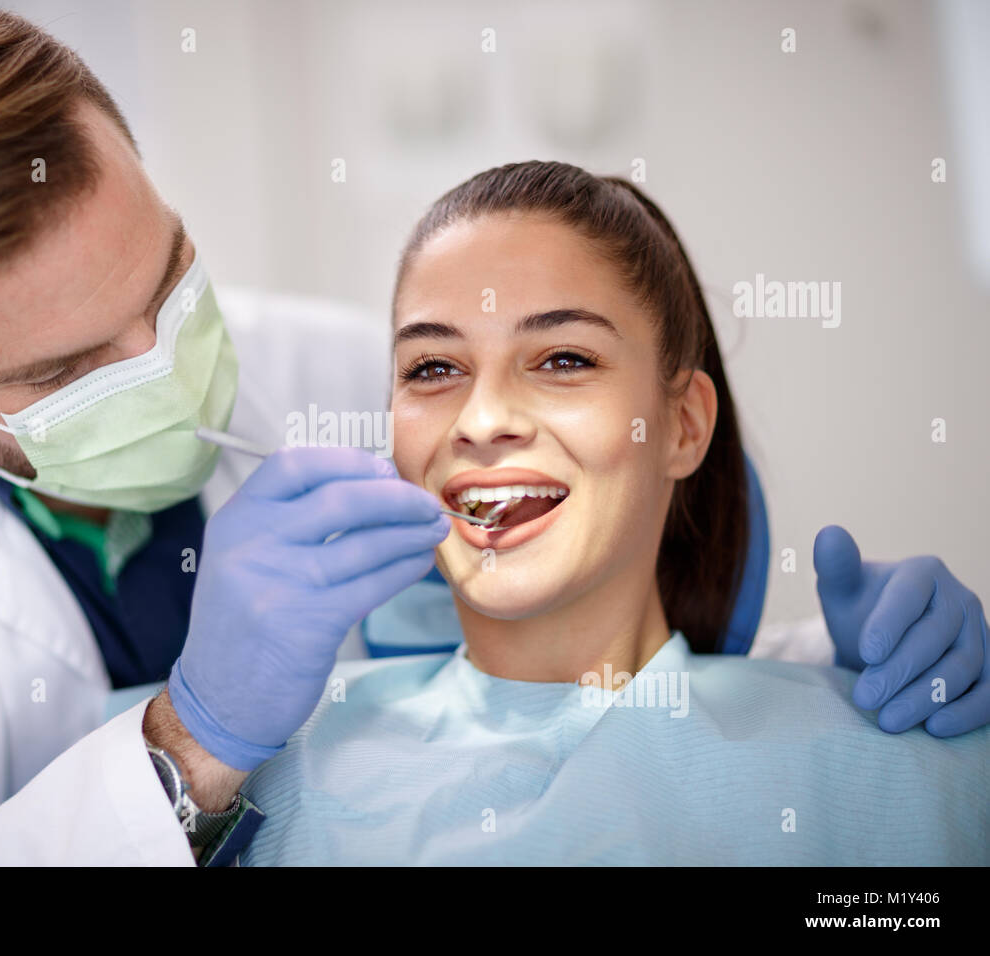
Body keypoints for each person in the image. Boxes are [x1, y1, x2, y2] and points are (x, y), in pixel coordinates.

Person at [0, 0, 984, 866]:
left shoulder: (336, 373)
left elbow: (641, 674)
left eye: (167, 286)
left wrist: (831, 665)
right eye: (70, 367)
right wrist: (187, 750)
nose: (167, 373)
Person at [237, 162, 990, 865]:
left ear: (685, 425)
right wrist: (189, 739)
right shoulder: (250, 775)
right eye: (433, 368)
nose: (483, 418)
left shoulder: (901, 764)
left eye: (565, 359)